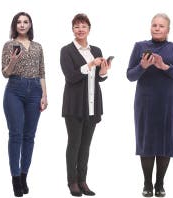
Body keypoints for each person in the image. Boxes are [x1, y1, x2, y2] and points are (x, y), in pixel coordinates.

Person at [126, 13, 173, 198]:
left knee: (165, 140)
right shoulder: (140, 47)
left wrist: (165, 67)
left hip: (168, 102)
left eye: (161, 26)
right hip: (145, 101)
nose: (157, 28)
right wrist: (142, 66)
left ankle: (160, 183)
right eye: (154, 25)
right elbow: (130, 75)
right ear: (150, 27)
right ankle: (147, 183)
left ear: (168, 29)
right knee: (146, 141)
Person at [59, 13, 110, 197]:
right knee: (74, 144)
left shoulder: (96, 50)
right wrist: (89, 65)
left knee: (86, 146)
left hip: (92, 104)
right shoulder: (66, 50)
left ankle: (83, 180)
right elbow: (71, 77)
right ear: (72, 29)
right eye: (77, 26)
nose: (80, 29)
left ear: (89, 29)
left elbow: (98, 79)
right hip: (74, 106)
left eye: (83, 26)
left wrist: (103, 71)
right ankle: (72, 182)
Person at [1, 12, 47, 197]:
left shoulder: (38, 47)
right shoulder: (9, 45)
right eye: (18, 22)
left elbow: (42, 71)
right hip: (15, 89)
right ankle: (15, 179)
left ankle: (24, 175)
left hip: (35, 90)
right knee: (16, 135)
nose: (22, 25)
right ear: (14, 25)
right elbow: (5, 73)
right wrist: (13, 61)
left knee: (29, 136)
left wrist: (45, 94)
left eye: (25, 22)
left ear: (30, 25)